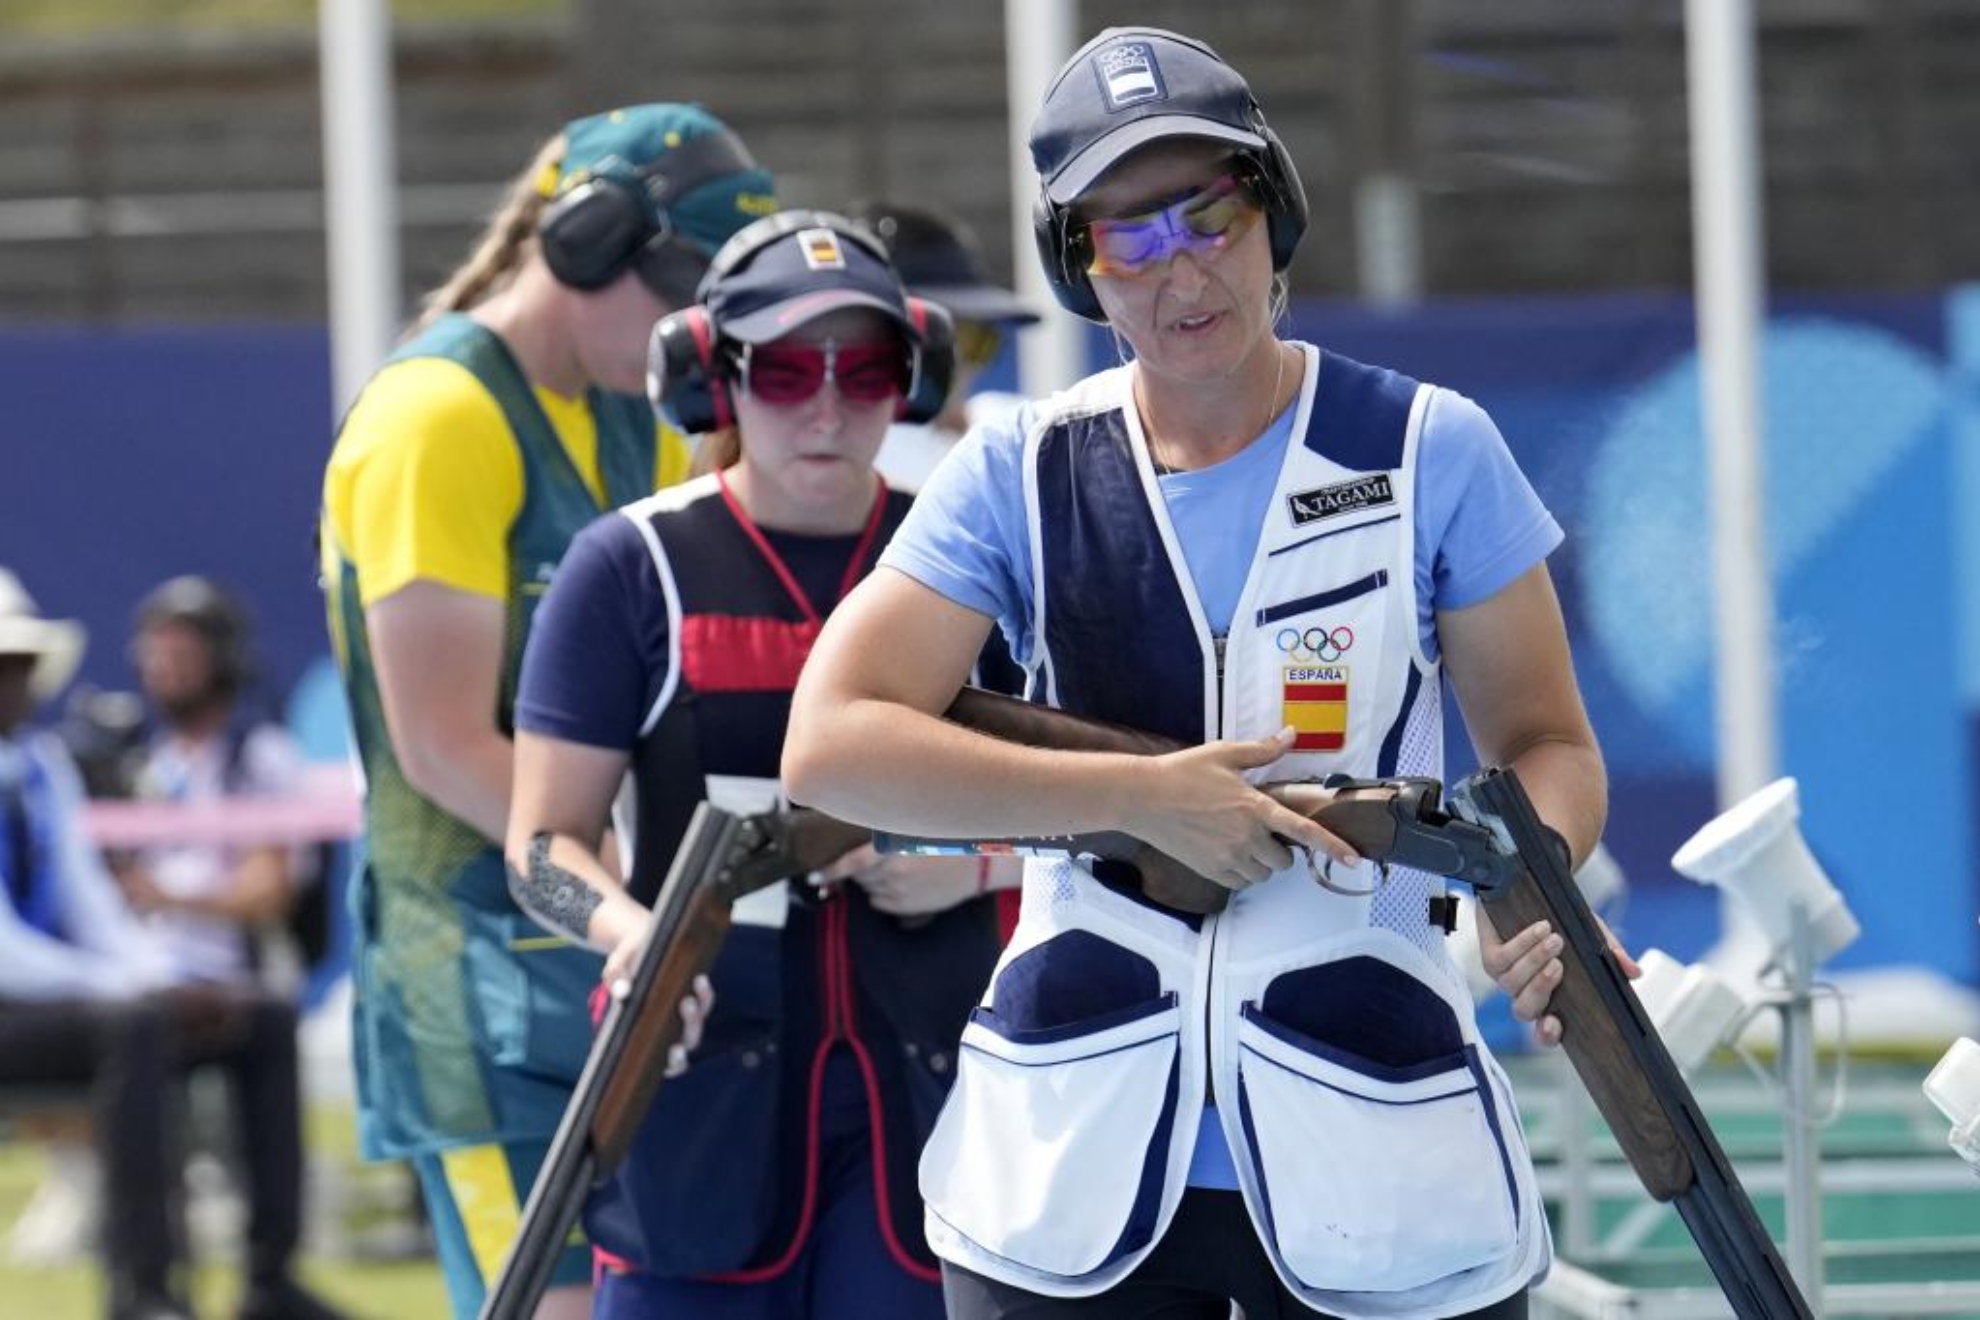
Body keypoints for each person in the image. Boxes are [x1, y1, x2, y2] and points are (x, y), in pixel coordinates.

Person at [784, 28, 1622, 1320]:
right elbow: (831, 746)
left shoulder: (1430, 446)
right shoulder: (1019, 468)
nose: (1180, 268)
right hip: (1067, 1158)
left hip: (1381, 1137)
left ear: (1271, 212)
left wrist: (1531, 883)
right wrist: (1137, 801)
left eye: (1209, 213)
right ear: (1082, 271)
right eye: (1128, 237)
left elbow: (1547, 746)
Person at [505, 209, 1007, 1320]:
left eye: (865, 367)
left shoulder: (975, 560)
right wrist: (637, 939)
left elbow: (1109, 813)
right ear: (711, 376)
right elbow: (541, 847)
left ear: (911, 377)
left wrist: (980, 867)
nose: (827, 406)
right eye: (784, 369)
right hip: (692, 1107)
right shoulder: (629, 568)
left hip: (935, 1106)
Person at [318, 103, 775, 1320]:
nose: (697, 331)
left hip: (606, 956)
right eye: (679, 288)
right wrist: (624, 901)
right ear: (582, 243)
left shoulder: (636, 404)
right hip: (473, 985)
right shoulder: (438, 419)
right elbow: (442, 748)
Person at [0, 568, 343, 1320]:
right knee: (137, 1026)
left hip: (65, 1002)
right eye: (5, 666)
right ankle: (146, 1293)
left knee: (262, 1017)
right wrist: (136, 990)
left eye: (22, 664)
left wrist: (157, 976)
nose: (18, 683)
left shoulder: (40, 766)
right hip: (29, 1008)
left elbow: (97, 912)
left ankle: (268, 1281)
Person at [115, 575, 320, 991]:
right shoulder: (140, 764)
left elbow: (270, 893)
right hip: (142, 976)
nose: (165, 667)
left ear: (222, 659)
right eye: (156, 654)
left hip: (238, 983)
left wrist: (166, 898)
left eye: (182, 653)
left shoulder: (262, 755)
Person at [849, 201, 1040, 493]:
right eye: (937, 336)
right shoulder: (854, 462)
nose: (962, 365)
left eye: (978, 340)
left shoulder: (1017, 425)